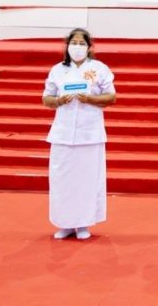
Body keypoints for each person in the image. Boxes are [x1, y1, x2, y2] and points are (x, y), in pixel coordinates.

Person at [43, 29, 116, 240]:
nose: (77, 47)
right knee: (63, 179)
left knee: (87, 179)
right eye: (73, 43)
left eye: (81, 43)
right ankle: (65, 223)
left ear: (89, 47)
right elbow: (47, 98)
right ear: (67, 46)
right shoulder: (58, 70)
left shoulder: (99, 69)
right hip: (63, 132)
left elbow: (111, 97)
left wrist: (90, 99)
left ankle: (84, 223)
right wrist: (58, 101)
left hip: (89, 132)